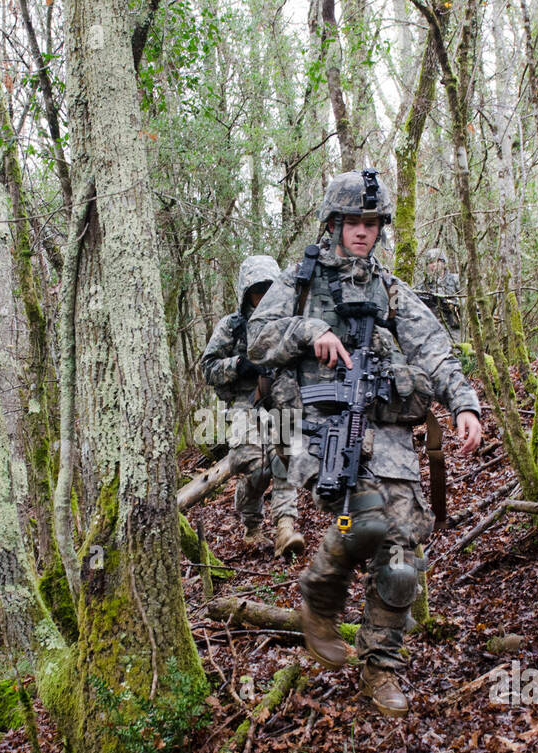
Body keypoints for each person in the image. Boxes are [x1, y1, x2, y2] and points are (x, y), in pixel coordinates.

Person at [247, 170, 482, 718]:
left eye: (371, 223)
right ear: (333, 224)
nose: (362, 231)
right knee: (366, 522)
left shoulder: (389, 288)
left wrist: (464, 401)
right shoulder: (298, 283)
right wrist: (309, 332)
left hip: (389, 432)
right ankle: (320, 590)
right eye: (353, 221)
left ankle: (380, 669)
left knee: (401, 562)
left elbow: (433, 350)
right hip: (315, 425)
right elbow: (257, 341)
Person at [200, 255, 306, 559]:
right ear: (246, 293)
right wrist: (237, 365)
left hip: (281, 399)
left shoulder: (287, 322)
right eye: (257, 290)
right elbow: (207, 367)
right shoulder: (232, 327)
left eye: (268, 289)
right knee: (257, 467)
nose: (262, 297)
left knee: (285, 456)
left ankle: (286, 527)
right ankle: (251, 525)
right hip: (244, 405)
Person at [415, 247, 461, 329]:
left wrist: (451, 304)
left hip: (453, 328)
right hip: (431, 329)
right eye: (430, 262)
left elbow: (469, 303)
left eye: (436, 261)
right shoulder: (422, 287)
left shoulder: (456, 280)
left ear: (443, 263)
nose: (433, 265)